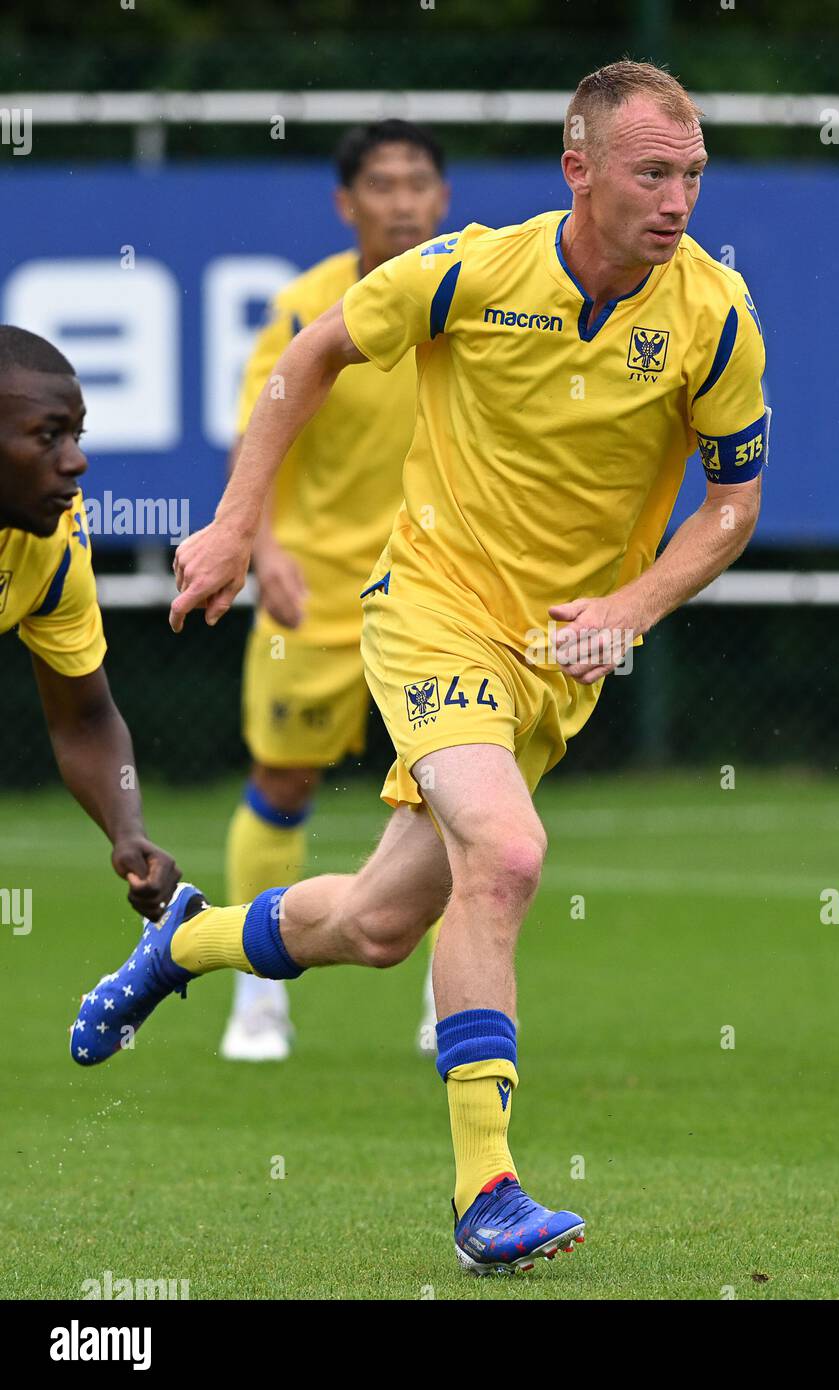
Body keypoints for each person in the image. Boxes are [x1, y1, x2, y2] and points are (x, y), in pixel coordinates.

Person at [71, 60, 767, 1276]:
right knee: (505, 852)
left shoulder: (713, 315)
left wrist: (634, 601)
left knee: (384, 923)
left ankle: (185, 942)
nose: (676, 199)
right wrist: (238, 522)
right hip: (432, 612)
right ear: (580, 170)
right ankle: (484, 1187)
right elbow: (310, 354)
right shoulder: (472, 271)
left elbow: (734, 500)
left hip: (557, 659)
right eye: (652, 172)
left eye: (692, 174)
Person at [219, 119, 450, 1062]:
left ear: (442, 197)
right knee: (283, 782)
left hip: (440, 588)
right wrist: (262, 547)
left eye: (418, 182)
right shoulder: (306, 306)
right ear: (345, 202)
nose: (402, 200)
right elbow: (259, 436)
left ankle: (451, 998)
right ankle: (256, 1000)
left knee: (458, 796)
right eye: (382, 184)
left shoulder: (469, 294)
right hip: (313, 588)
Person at [0, 326, 180, 961]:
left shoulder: (51, 544)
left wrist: (127, 830)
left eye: (78, 435)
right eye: (48, 436)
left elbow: (85, 718)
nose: (75, 460)